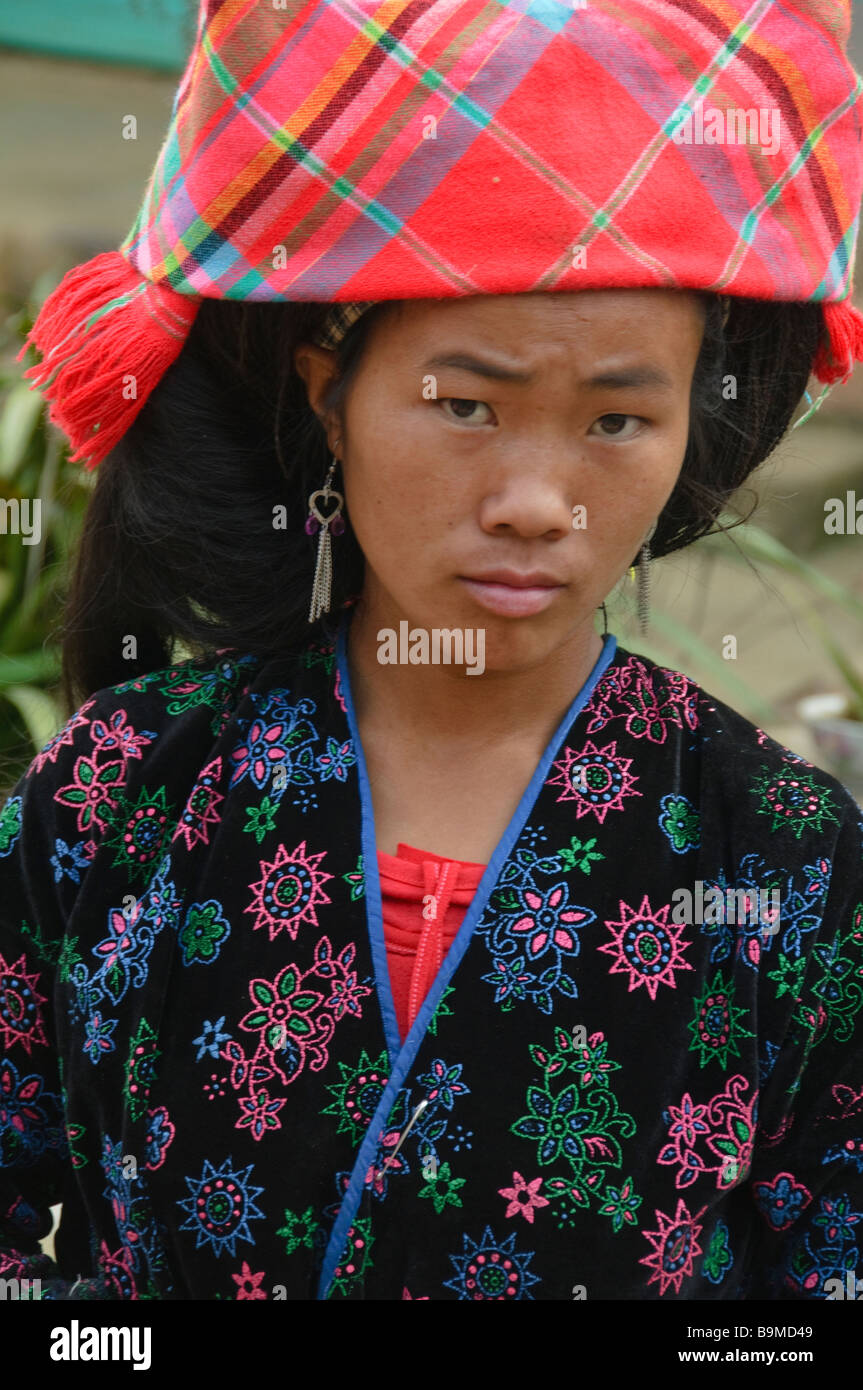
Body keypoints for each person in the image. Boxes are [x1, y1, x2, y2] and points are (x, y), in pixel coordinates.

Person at [2, 0, 863, 1302]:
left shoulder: (785, 851)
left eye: (619, 418)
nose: (535, 497)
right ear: (323, 393)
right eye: (466, 402)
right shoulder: (116, 792)